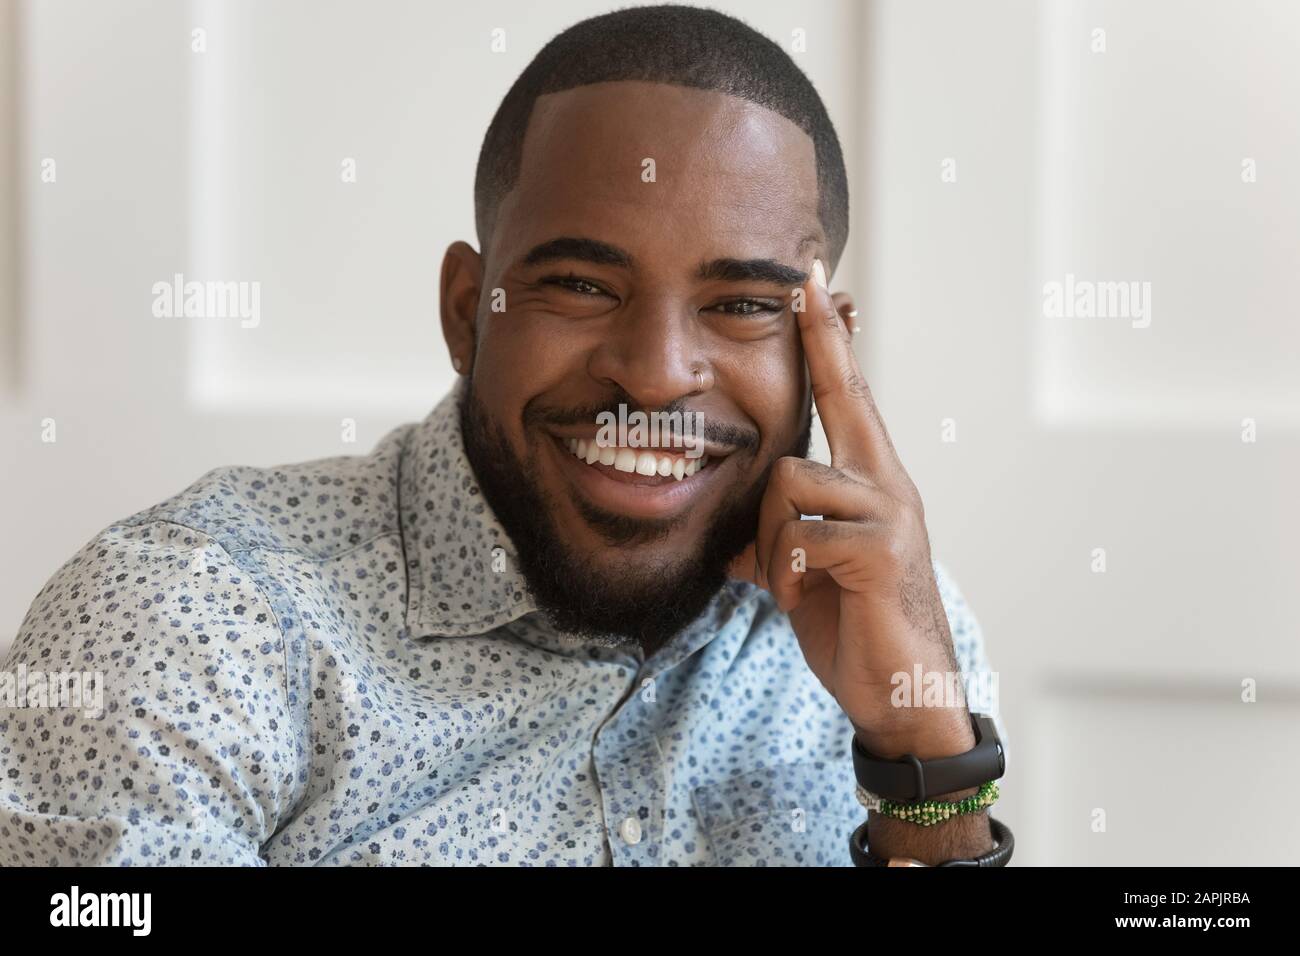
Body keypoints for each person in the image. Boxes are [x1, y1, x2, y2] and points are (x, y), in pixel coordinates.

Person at [0, 4, 1006, 866]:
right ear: (464, 309)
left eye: (742, 303)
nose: (654, 372)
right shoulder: (191, 616)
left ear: (826, 348)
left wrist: (923, 755)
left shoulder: (897, 620)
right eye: (579, 285)